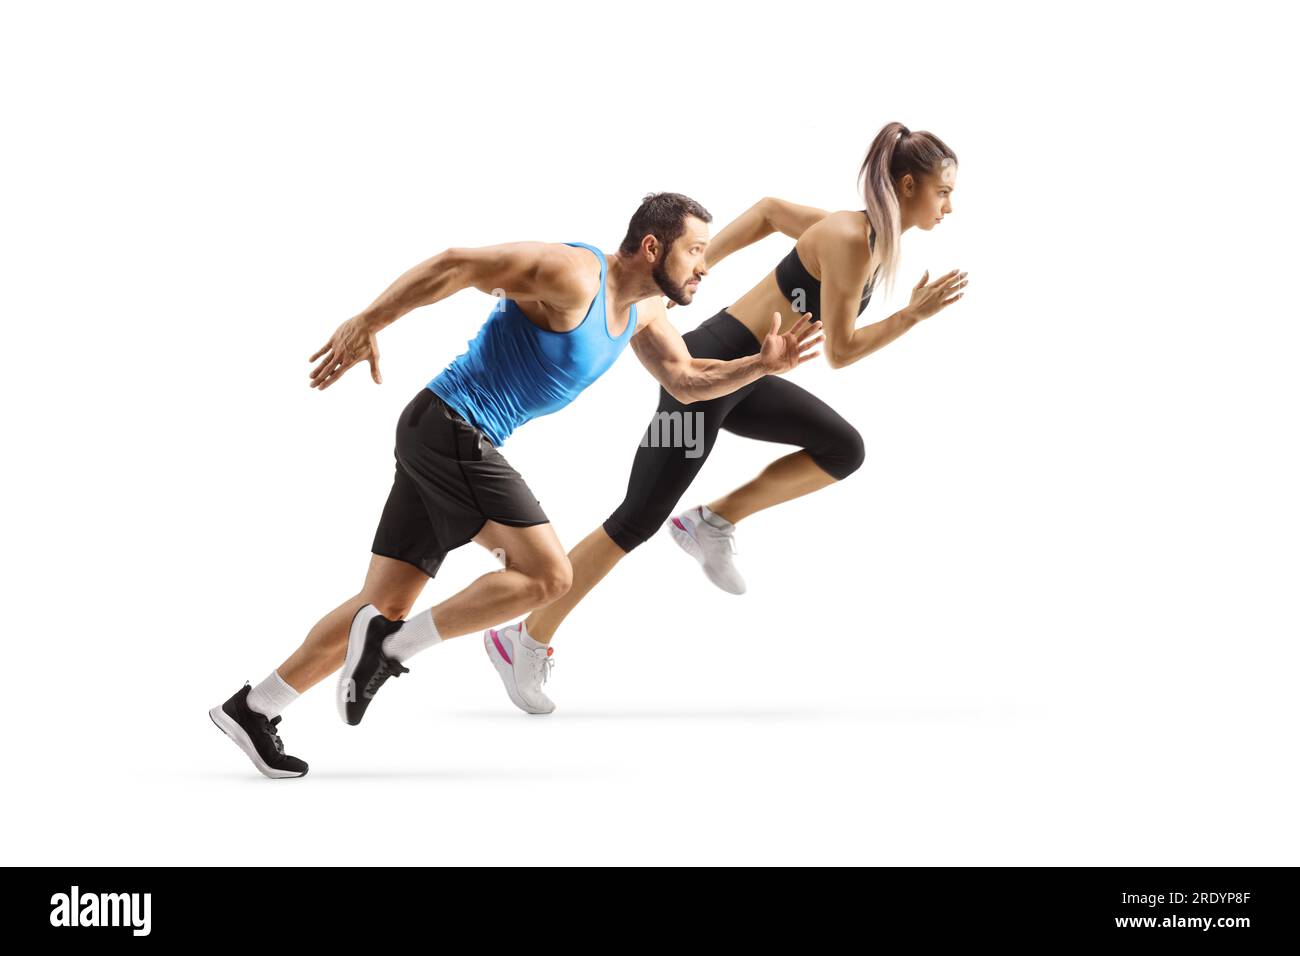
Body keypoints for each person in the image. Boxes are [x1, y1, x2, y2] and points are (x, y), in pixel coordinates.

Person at [208, 192, 825, 777]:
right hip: (452, 426)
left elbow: (687, 380)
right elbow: (457, 264)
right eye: (695, 250)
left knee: (383, 602)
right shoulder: (572, 275)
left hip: (444, 434)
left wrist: (759, 366)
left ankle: (255, 708)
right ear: (652, 249)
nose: (705, 266)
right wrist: (369, 320)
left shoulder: (645, 308)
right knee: (548, 576)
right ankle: (392, 651)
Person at [496, 123, 966, 712]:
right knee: (636, 518)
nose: (949, 205)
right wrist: (912, 317)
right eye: (942, 191)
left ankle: (711, 524)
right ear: (906, 184)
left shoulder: (861, 237)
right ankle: (524, 639)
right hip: (706, 373)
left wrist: (689, 274)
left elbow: (769, 212)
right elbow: (841, 351)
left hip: (750, 378)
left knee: (842, 449)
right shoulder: (852, 238)